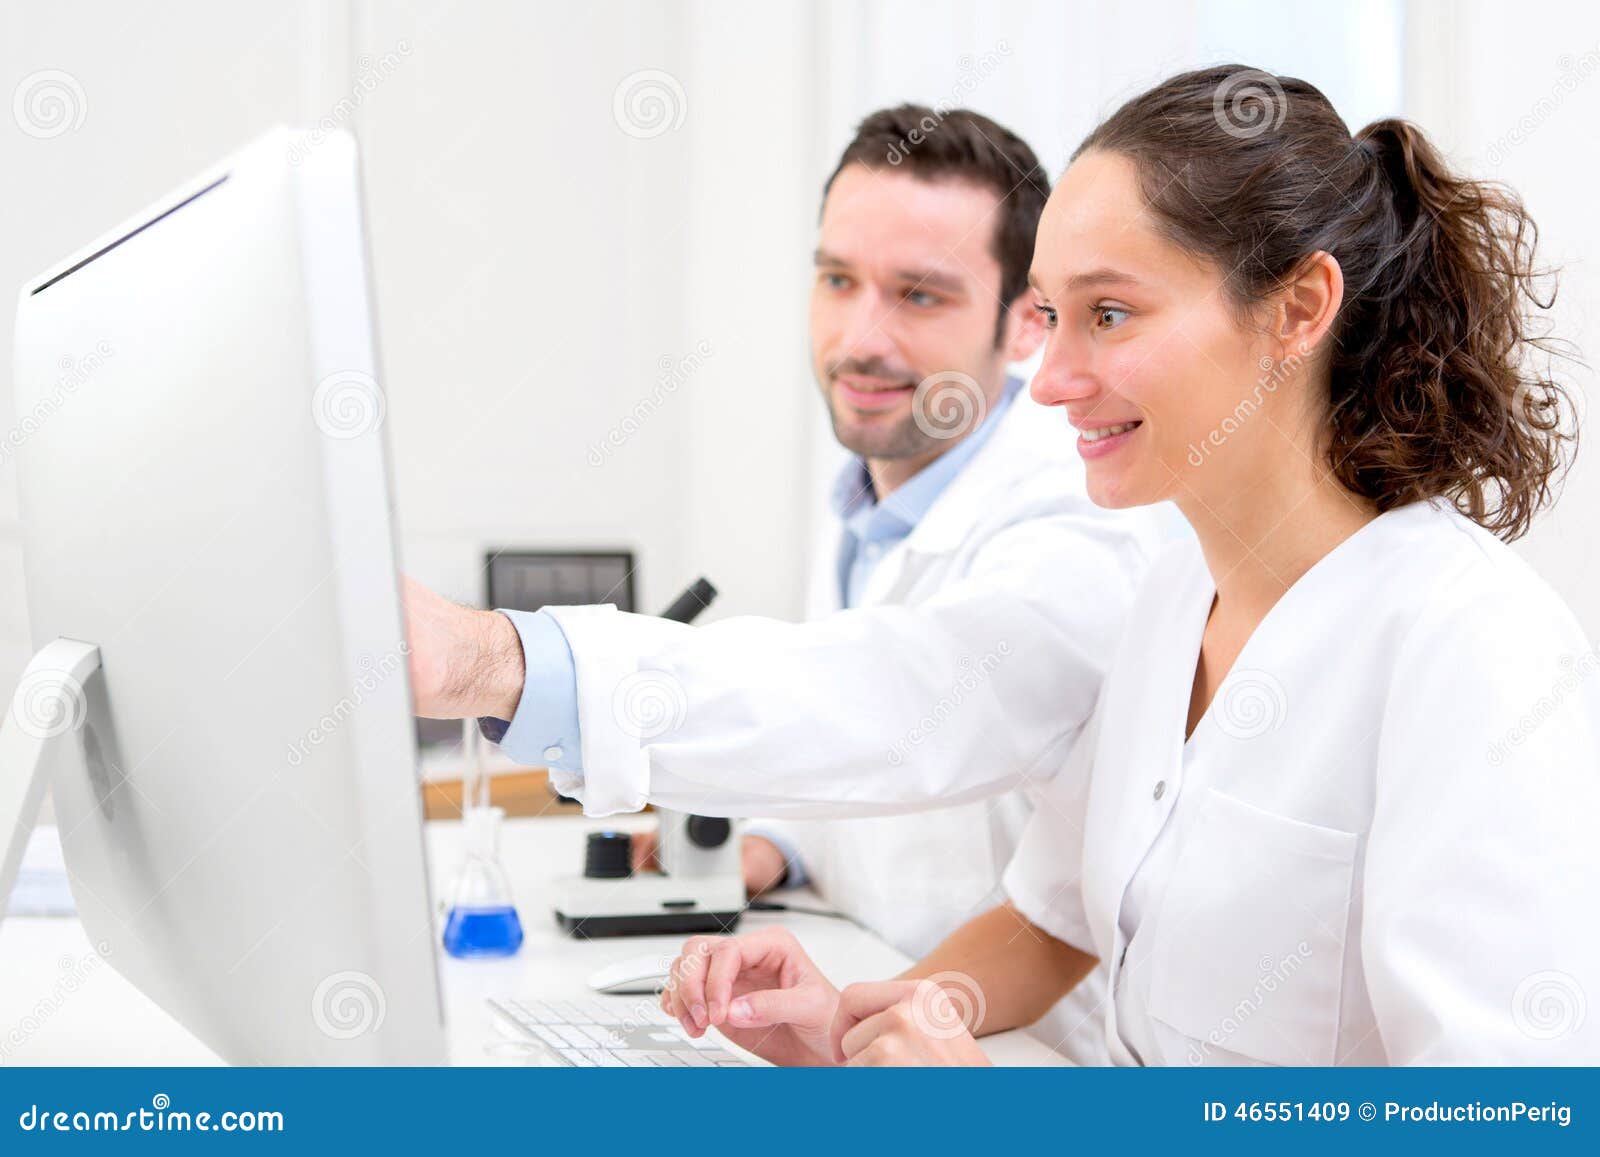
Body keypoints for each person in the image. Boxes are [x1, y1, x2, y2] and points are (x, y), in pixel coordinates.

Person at [658, 65, 1600, 1066]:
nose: (1055, 380)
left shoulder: (1470, 644)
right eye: (1051, 317)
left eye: (1107, 314)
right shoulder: (1172, 597)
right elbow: (1053, 920)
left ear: (1296, 308)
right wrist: (853, 1022)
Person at [403, 106, 1163, 1063]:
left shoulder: (1087, 524)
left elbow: (905, 705)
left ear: (1025, 324)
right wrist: (781, 843)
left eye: (920, 295)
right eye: (838, 279)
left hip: (1015, 1061)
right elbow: (867, 755)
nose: (862, 339)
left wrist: (493, 662)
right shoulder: (871, 495)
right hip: (875, 1009)